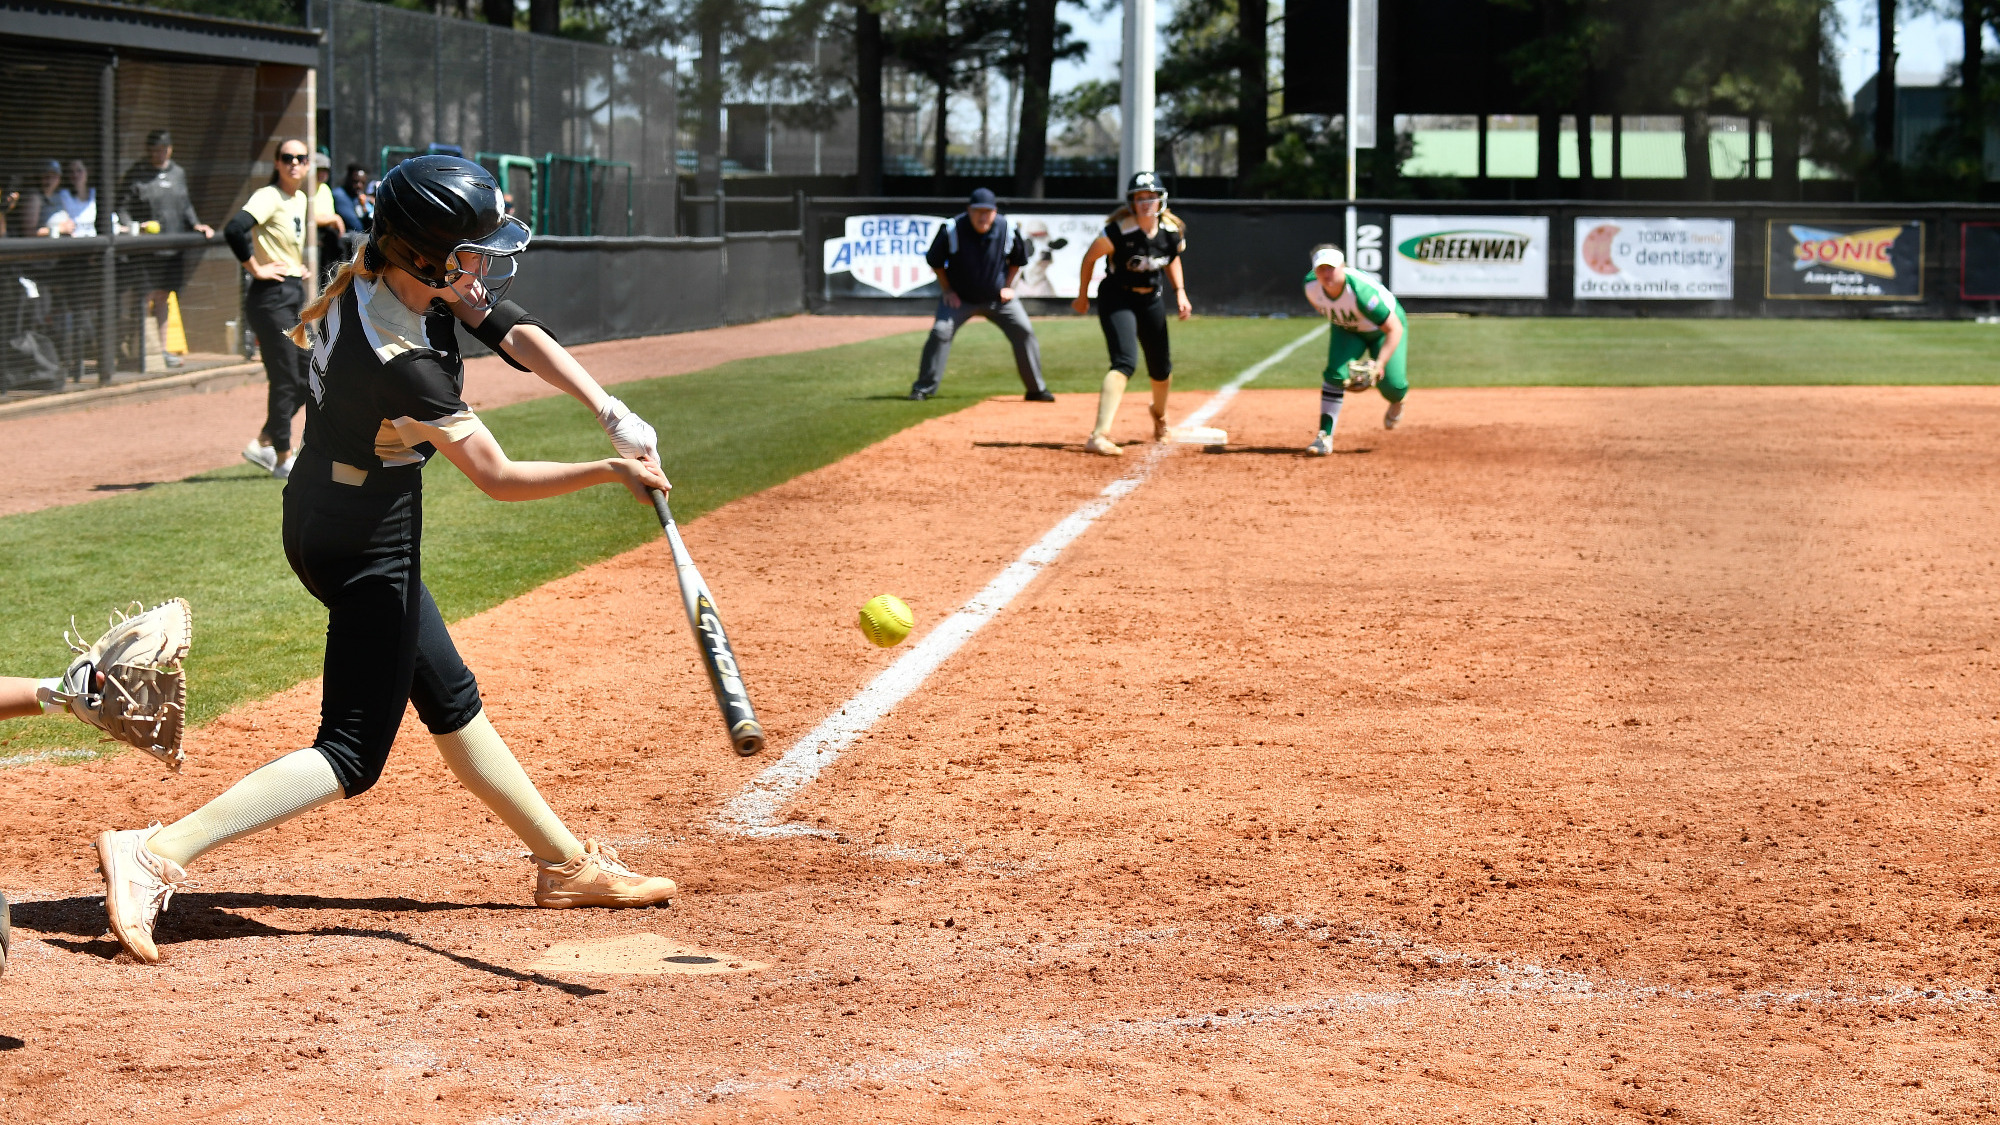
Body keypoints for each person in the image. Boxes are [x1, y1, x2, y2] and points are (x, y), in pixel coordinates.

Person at [95, 156, 679, 966]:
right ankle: (156, 852)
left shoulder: (386, 279)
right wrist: (610, 471)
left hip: (327, 513)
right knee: (350, 752)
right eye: (470, 252)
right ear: (427, 259)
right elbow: (498, 478)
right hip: (367, 539)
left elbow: (511, 329)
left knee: (450, 698)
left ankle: (565, 864)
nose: (484, 266)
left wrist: (610, 409)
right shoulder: (404, 358)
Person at [1070, 172, 1191, 456]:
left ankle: (1159, 417)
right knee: (1124, 362)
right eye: (1139, 198)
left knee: (1161, 368)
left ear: (1161, 199)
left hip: (1151, 299)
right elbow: (1089, 259)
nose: (1146, 202)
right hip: (1117, 297)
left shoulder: (1172, 231)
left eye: (1151, 196)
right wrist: (1082, 295)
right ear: (1131, 202)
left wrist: (1181, 292)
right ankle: (1098, 435)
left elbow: (1173, 259)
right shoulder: (1117, 232)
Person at [908, 188, 1052, 403]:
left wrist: (1008, 286)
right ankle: (923, 388)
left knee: (1024, 330)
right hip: (960, 299)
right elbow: (935, 262)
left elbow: (1018, 261)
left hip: (997, 299)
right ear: (969, 210)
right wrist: (947, 290)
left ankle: (1036, 389)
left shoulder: (1008, 228)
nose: (983, 216)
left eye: (988, 211)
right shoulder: (952, 228)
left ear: (995, 212)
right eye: (978, 211)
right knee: (940, 332)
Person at [225, 139, 315, 478]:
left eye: (301, 158)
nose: (294, 163)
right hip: (269, 297)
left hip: (290, 293)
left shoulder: (301, 198)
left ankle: (263, 441)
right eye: (287, 157)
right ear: (277, 163)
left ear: (307, 165)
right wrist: (255, 268)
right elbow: (234, 229)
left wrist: (296, 267)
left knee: (310, 376)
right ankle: (282, 457)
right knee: (285, 379)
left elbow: (284, 242)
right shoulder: (268, 196)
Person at [121, 130, 216, 371]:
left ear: (170, 149)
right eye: (152, 150)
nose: (157, 154)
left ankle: (161, 352)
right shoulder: (136, 175)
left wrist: (196, 224)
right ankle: (143, 351)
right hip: (145, 250)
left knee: (163, 297)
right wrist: (131, 227)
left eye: (161, 149)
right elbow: (122, 208)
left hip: (172, 250)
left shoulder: (178, 174)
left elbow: (185, 205)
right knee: (144, 298)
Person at [1301, 243, 1407, 452]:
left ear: (1343, 267)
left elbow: (1394, 329)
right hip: (1348, 329)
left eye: (1331, 267)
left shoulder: (1361, 292)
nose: (1326, 273)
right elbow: (1328, 308)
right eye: (1321, 269)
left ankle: (1398, 401)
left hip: (1382, 330)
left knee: (1392, 386)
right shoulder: (1311, 287)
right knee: (1335, 375)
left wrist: (1379, 364)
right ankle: (1324, 436)